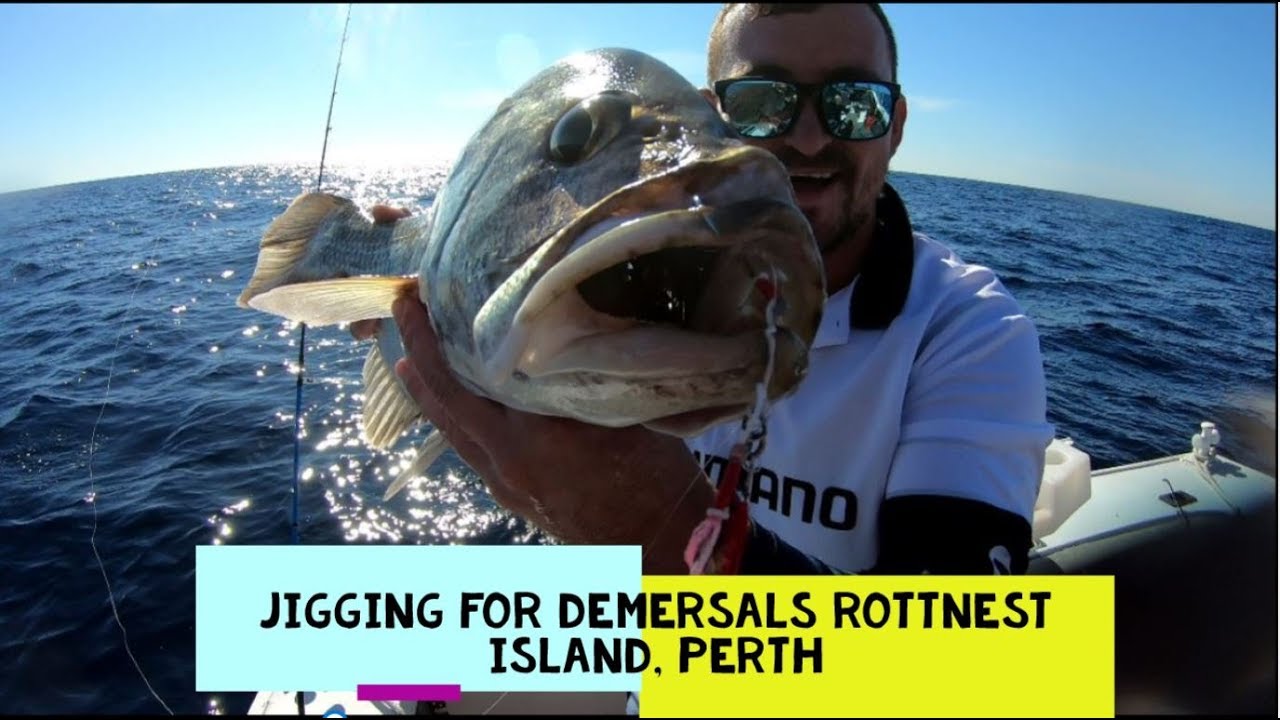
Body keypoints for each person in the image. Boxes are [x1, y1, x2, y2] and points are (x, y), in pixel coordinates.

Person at [368, 2, 1055, 578]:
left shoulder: (971, 333)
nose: (810, 140)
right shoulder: (629, 283)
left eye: (852, 104)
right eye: (762, 102)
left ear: (895, 126)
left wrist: (651, 524)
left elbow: (968, 675)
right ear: (710, 118)